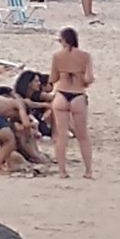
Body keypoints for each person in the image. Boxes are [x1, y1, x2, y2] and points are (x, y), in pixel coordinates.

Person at [51, 26, 93, 179]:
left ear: (64, 41)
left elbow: (53, 78)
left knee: (61, 136)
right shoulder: (85, 56)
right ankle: (88, 171)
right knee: (83, 136)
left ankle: (62, 171)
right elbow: (89, 79)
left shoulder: (57, 56)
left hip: (61, 95)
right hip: (77, 95)